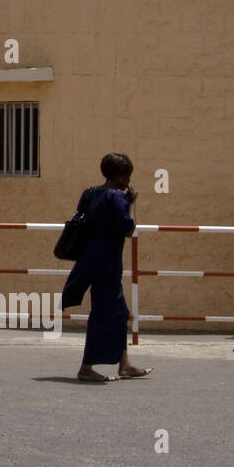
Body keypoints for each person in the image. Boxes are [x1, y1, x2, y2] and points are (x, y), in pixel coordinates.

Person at [60, 153, 153, 382]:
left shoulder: (90, 193)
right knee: (102, 315)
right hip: (107, 265)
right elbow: (129, 229)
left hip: (87, 260)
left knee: (120, 312)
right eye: (128, 176)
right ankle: (86, 367)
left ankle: (125, 364)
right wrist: (132, 203)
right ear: (121, 176)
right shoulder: (116, 197)